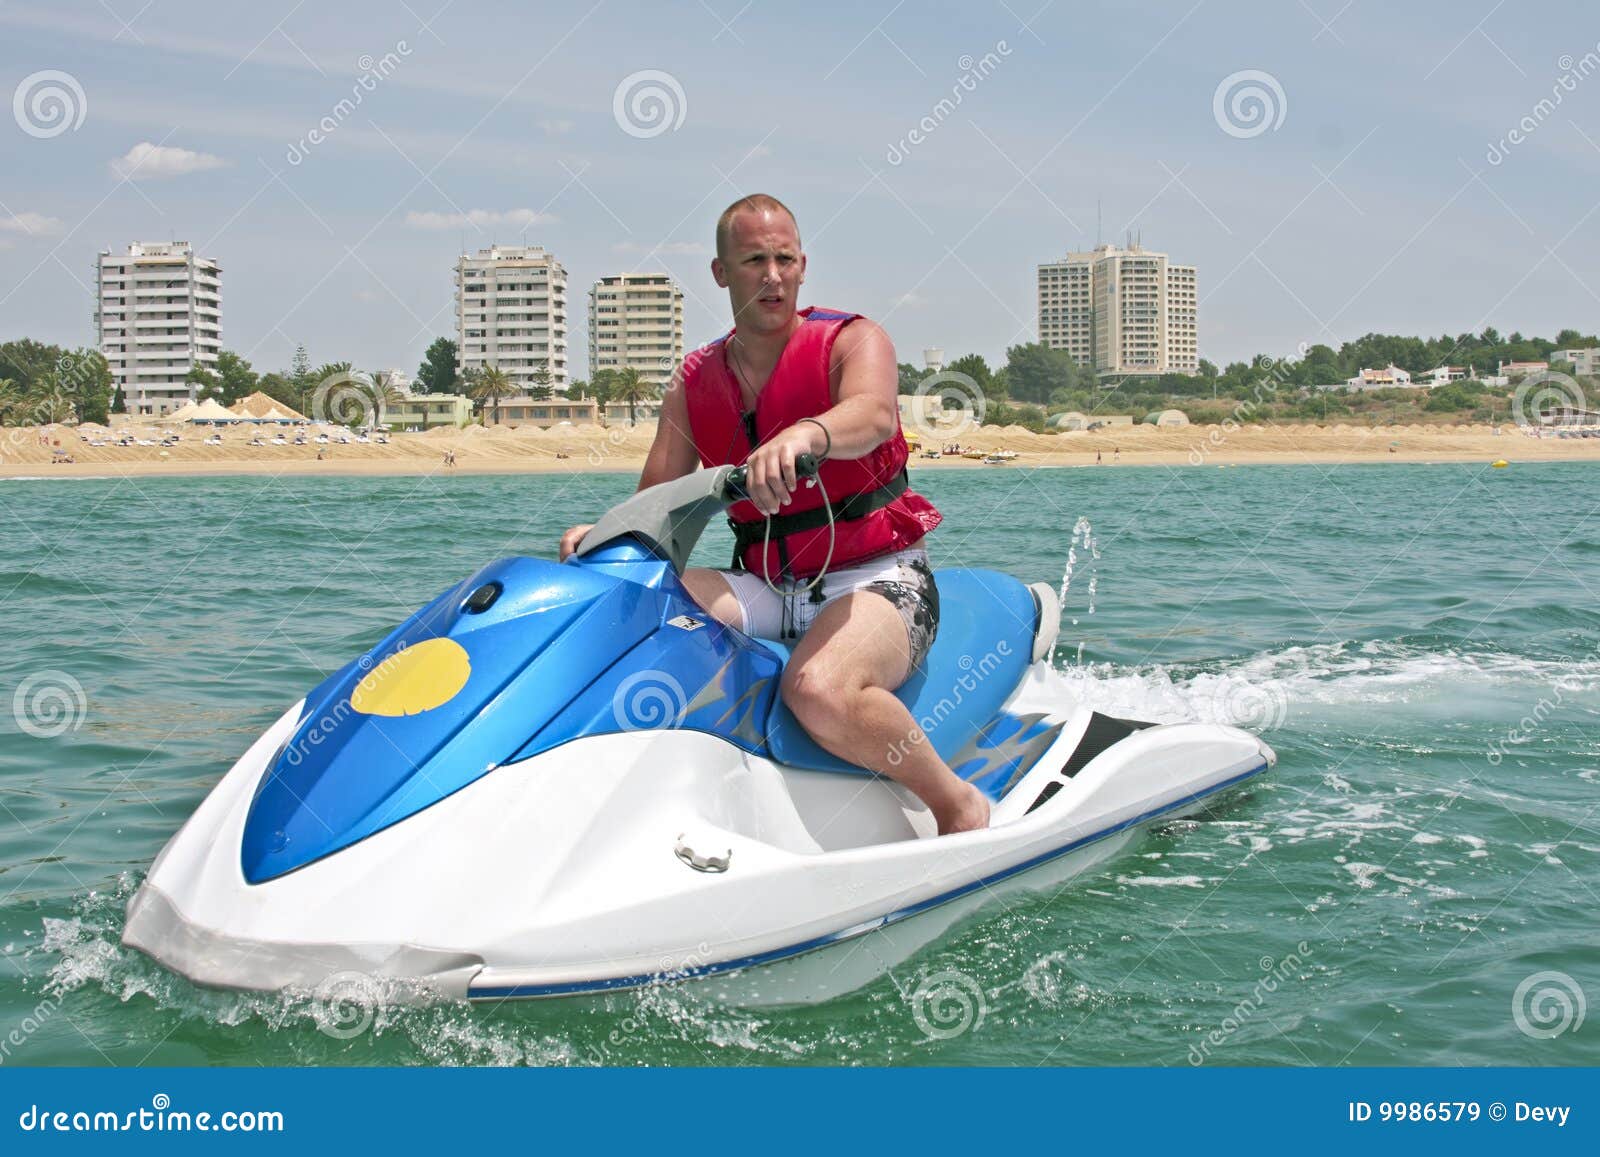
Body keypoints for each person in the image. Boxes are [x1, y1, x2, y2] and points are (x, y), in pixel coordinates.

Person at [561, 193, 989, 834]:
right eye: (755, 259)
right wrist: (602, 539)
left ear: (803, 264)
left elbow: (872, 415)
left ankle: (958, 805)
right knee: (627, 603)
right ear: (720, 272)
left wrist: (807, 433)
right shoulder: (694, 380)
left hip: (878, 579)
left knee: (816, 688)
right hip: (767, 585)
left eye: (785, 259)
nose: (773, 275)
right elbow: (653, 501)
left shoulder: (854, 342)